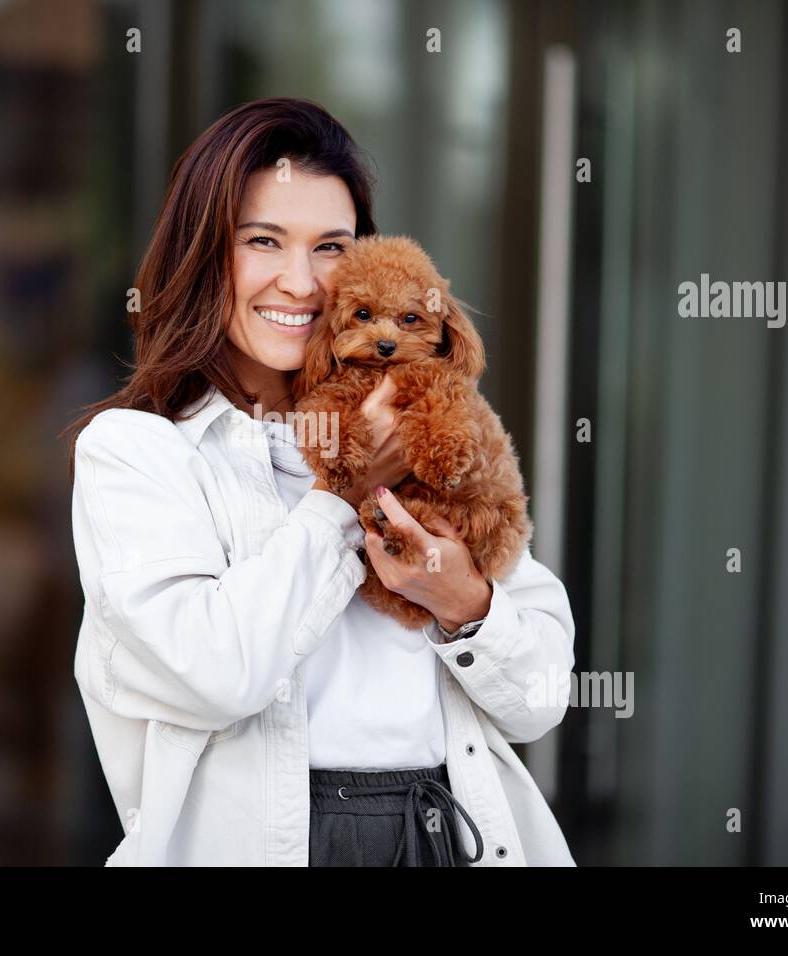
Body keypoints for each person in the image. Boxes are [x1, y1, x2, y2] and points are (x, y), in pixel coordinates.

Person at [64, 97, 576, 866]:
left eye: (331, 247)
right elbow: (215, 674)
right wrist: (342, 494)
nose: (301, 283)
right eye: (263, 241)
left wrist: (463, 600)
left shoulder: (422, 427)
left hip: (443, 829)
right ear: (206, 253)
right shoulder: (139, 454)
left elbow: (539, 700)